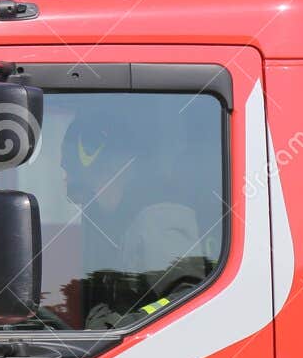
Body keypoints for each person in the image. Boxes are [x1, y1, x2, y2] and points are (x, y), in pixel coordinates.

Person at [60, 110, 203, 328]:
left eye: (78, 179)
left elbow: (187, 304)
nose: (70, 186)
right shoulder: (119, 223)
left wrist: (115, 329)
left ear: (115, 169)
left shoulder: (157, 220)